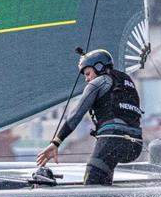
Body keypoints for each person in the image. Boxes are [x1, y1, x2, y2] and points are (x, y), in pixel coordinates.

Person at [37, 49, 143, 185]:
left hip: (112, 140)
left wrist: (56, 142)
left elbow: (76, 115)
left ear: (99, 67)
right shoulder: (127, 82)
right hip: (135, 145)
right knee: (103, 181)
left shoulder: (99, 82)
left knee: (92, 181)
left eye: (88, 73)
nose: (87, 79)